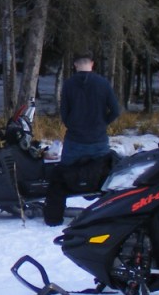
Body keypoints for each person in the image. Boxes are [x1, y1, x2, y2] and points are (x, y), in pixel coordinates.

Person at [44, 56, 121, 226]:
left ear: (75, 65)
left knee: (62, 177)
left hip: (75, 140)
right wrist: (102, 123)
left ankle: (53, 218)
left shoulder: (69, 84)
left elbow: (64, 113)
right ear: (92, 64)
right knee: (105, 176)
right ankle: (109, 213)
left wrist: (73, 124)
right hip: (98, 140)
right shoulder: (103, 83)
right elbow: (116, 110)